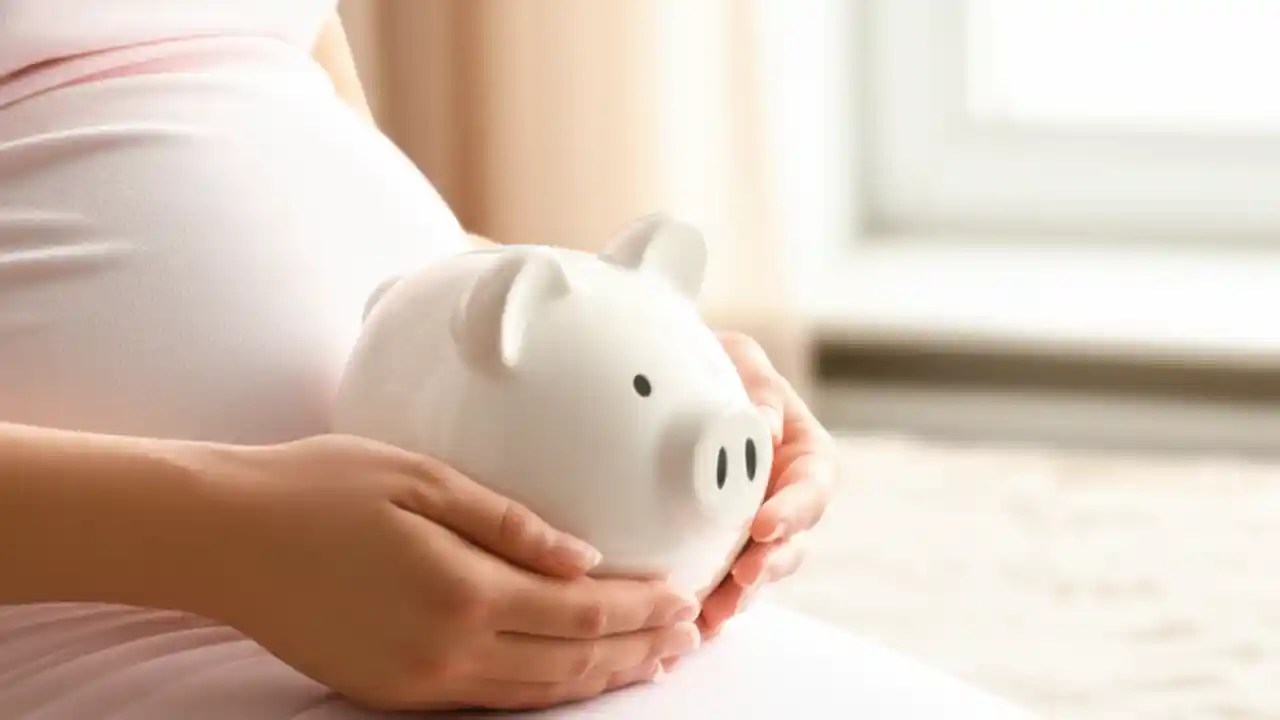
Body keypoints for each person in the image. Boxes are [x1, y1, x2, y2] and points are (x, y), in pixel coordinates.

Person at [0, 2, 835, 712]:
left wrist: (640, 349)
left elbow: (320, 152)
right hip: (108, 621)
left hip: (480, 608)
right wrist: (224, 542)